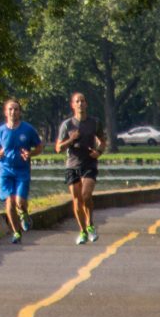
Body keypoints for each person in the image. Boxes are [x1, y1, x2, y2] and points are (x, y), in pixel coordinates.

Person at [0, 98, 41, 242]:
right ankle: (16, 232)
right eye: (10, 109)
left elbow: (39, 146)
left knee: (19, 201)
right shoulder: (0, 132)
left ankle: (23, 213)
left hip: (22, 171)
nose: (13, 112)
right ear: (5, 112)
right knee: (9, 201)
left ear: (19, 112)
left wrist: (30, 154)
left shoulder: (28, 129)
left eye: (16, 109)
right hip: (4, 170)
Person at [55, 91, 105, 243]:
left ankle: (90, 225)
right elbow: (58, 148)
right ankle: (82, 231)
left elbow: (102, 141)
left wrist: (99, 152)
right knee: (76, 200)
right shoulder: (67, 125)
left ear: (86, 104)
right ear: (72, 105)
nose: (80, 104)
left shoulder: (94, 122)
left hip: (89, 163)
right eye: (77, 101)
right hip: (72, 165)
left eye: (82, 101)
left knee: (86, 195)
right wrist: (71, 139)